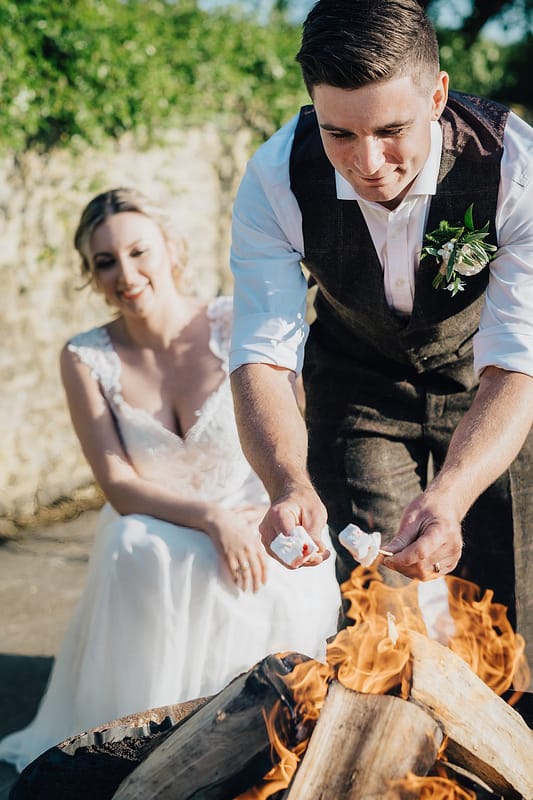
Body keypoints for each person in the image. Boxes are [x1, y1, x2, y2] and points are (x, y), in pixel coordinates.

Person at [229, 0, 533, 683]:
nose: (367, 162)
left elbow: (517, 361)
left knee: (510, 601)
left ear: (437, 94)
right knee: (377, 603)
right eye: (339, 134)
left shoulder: (513, 166)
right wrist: (284, 481)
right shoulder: (275, 175)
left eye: (391, 129)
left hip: (489, 390)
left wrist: (451, 494)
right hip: (357, 385)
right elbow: (262, 354)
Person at [0, 188, 340, 772]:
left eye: (138, 252)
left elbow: (294, 423)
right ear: (90, 275)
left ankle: (266, 736)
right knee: (136, 548)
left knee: (282, 560)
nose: (126, 274)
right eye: (104, 262)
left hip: (251, 501)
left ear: (172, 250)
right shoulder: (84, 357)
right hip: (157, 514)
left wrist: (260, 507)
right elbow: (115, 483)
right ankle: (141, 743)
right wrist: (210, 521)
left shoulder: (239, 322)